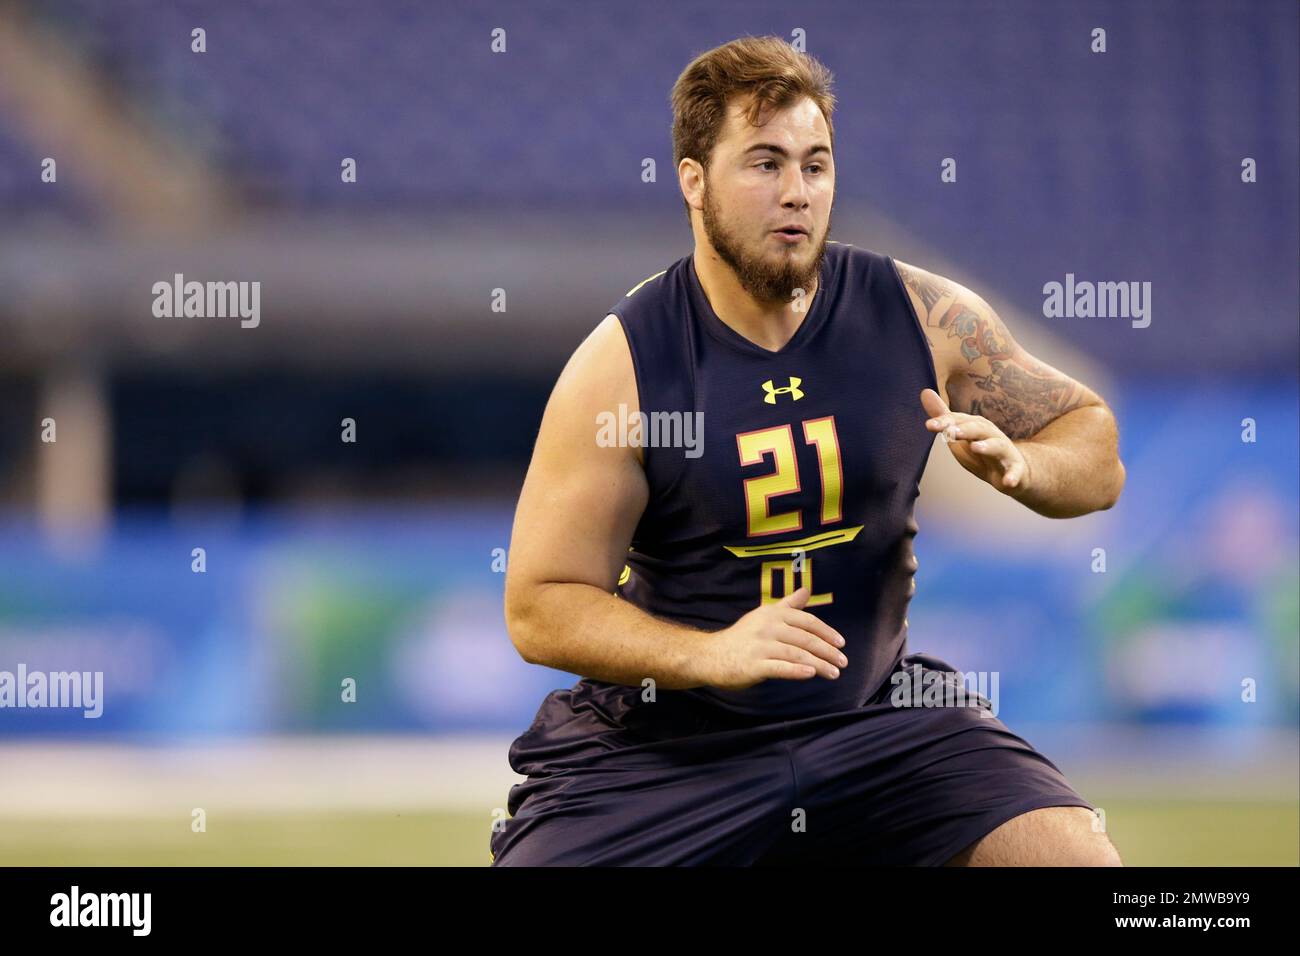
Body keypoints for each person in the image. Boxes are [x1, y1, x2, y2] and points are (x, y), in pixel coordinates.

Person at [492, 36, 1125, 866]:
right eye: (764, 164)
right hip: (669, 745)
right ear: (693, 181)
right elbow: (539, 604)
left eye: (815, 165)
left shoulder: (920, 316)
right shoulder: (624, 369)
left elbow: (1097, 450)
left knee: (1077, 861)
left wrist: (1025, 465)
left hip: (877, 716)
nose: (797, 193)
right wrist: (710, 654)